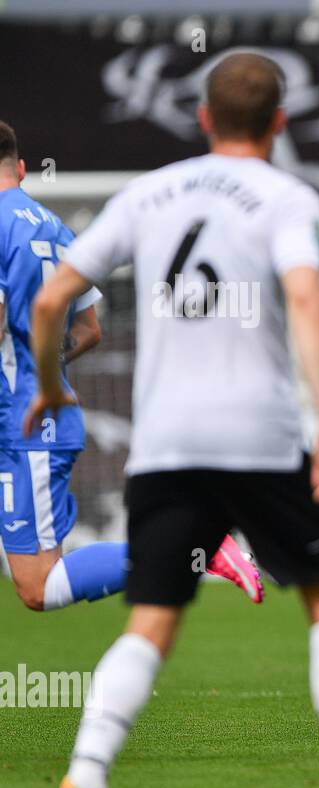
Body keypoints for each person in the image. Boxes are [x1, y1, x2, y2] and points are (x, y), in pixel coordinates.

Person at [26, 52, 319, 788]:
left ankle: (82, 783)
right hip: (258, 437)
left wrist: (52, 386)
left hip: (166, 443)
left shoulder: (145, 193)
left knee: (151, 621)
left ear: (203, 117)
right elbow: (304, 296)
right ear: (279, 123)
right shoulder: (287, 196)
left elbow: (56, 296)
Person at [0, 120, 261, 612]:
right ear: (20, 168)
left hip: (22, 423)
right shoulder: (54, 227)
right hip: (42, 414)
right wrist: (42, 368)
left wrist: (26, 375)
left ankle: (193, 548)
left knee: (39, 586)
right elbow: (88, 330)